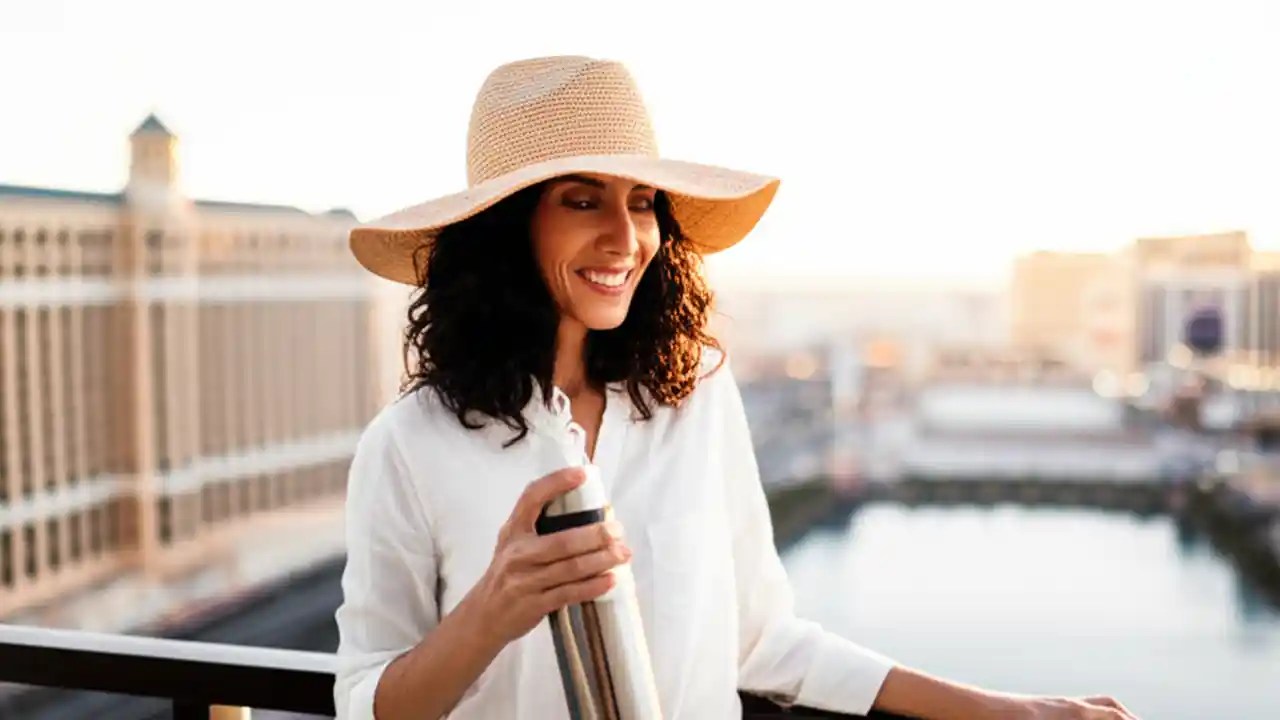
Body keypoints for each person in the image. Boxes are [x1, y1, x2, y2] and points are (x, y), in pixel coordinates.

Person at [332, 55, 1139, 720]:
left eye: (642, 202)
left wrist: (1010, 712)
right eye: (582, 200)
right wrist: (490, 612)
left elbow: (763, 641)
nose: (627, 237)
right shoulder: (408, 444)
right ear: (505, 231)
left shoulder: (694, 399)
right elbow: (368, 700)